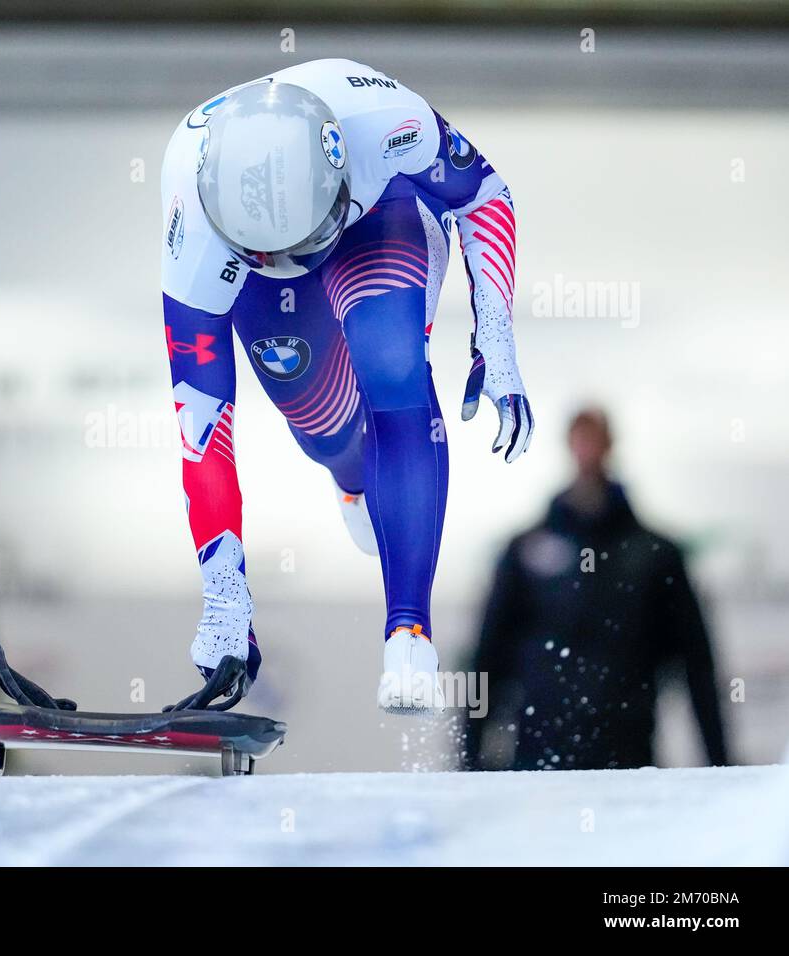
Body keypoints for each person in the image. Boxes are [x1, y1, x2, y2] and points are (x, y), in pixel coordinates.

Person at [161, 59, 533, 713]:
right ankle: (354, 475)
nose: (287, 260)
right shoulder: (192, 228)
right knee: (325, 432)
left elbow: (485, 194)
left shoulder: (390, 123)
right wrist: (225, 598)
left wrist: (496, 336)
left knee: (393, 370)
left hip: (381, 214)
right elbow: (204, 430)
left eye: (298, 244)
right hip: (259, 279)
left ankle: (409, 635)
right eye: (269, 252)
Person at [463, 408, 729, 770]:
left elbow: (696, 665)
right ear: (568, 445)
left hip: (628, 761)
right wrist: (468, 758)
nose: (588, 450)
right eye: (581, 438)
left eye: (596, 438)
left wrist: (719, 763)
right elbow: (487, 657)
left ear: (611, 445)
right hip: (537, 765)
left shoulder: (654, 555)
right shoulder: (526, 551)